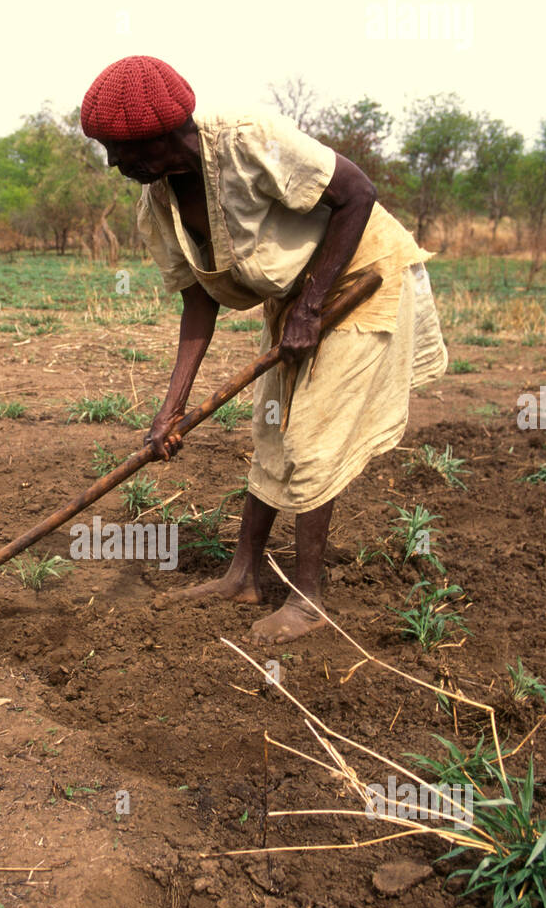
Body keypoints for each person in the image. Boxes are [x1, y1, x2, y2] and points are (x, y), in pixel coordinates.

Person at [80, 55, 448, 643]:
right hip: (297, 300)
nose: (113, 163)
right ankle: (244, 574)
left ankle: (307, 600)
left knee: (314, 434)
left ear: (159, 135)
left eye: (118, 149)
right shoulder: (159, 202)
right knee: (272, 431)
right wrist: (170, 410)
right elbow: (198, 303)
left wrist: (311, 306)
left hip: (358, 279)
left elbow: (358, 193)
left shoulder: (248, 140)